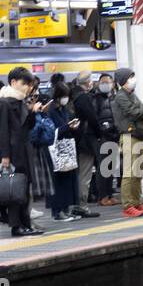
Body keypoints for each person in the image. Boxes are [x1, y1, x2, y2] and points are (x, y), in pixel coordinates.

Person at [0, 66, 46, 235]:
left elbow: (28, 127)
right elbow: (2, 130)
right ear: (13, 82)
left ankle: (26, 224)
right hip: (13, 152)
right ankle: (16, 226)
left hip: (24, 149)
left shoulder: (20, 100)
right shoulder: (4, 102)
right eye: (25, 84)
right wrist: (5, 156)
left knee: (24, 189)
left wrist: (32, 112)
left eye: (29, 84)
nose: (27, 87)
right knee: (15, 190)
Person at [42, 82, 97, 221]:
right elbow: (52, 131)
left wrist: (74, 126)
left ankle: (66, 209)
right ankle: (57, 211)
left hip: (66, 147)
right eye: (63, 96)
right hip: (55, 149)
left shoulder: (64, 109)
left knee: (67, 179)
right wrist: (68, 127)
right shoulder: (51, 110)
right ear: (57, 96)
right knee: (58, 181)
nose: (65, 99)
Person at [111, 67, 143, 217]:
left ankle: (137, 203)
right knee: (129, 172)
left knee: (138, 172)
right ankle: (128, 205)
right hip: (128, 136)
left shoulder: (132, 95)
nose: (133, 80)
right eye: (130, 77)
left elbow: (141, 109)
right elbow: (134, 111)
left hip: (138, 136)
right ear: (123, 80)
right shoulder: (120, 96)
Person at [70, 71, 102, 204]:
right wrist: (99, 133)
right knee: (85, 173)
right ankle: (82, 203)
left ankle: (77, 201)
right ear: (88, 82)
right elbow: (92, 118)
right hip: (85, 140)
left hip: (76, 138)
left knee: (79, 173)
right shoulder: (84, 97)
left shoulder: (72, 95)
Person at [91, 72, 120, 206]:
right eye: (102, 82)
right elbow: (94, 119)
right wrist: (102, 129)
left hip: (114, 136)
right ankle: (102, 196)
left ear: (113, 83)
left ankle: (109, 194)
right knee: (103, 167)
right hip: (102, 137)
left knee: (111, 167)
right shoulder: (95, 99)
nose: (105, 85)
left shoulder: (115, 98)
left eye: (107, 82)